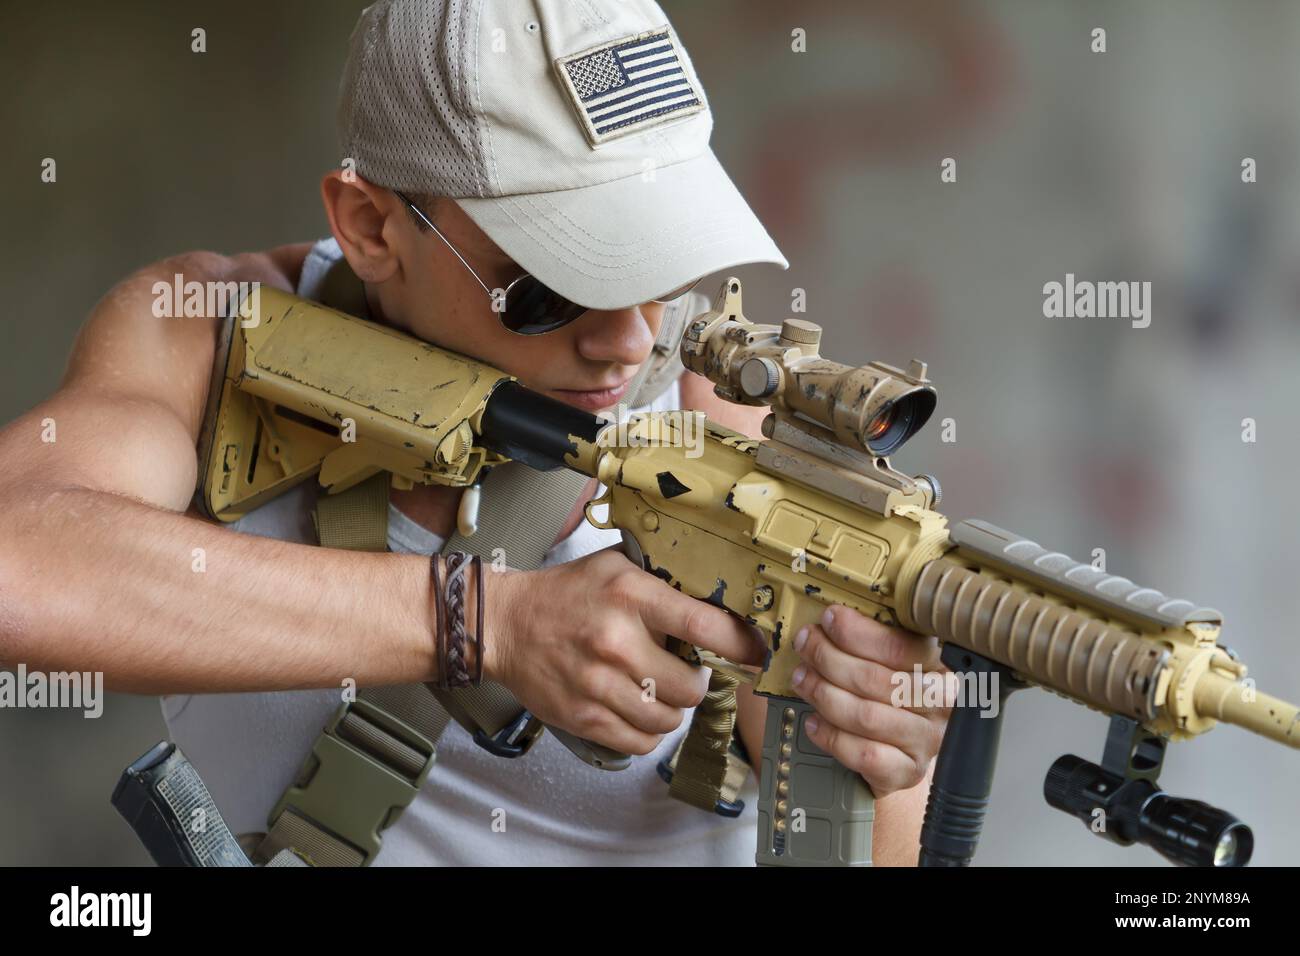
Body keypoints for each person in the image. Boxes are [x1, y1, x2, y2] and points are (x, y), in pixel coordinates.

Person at [0, 0, 948, 865]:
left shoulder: (723, 420)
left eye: (656, 264)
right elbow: (19, 565)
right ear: (372, 225)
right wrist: (483, 622)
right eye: (550, 284)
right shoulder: (205, 336)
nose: (627, 341)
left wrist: (877, 749)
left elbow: (871, 847)